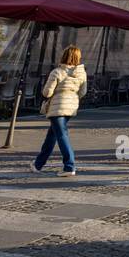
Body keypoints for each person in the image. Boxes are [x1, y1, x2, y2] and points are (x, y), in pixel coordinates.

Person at [31, 45, 87, 176]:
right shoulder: (81, 73)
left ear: (64, 56)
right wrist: (72, 96)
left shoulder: (57, 72)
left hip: (58, 106)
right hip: (72, 105)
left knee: (62, 135)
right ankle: (38, 164)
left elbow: (47, 92)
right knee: (52, 136)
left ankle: (69, 166)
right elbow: (83, 92)